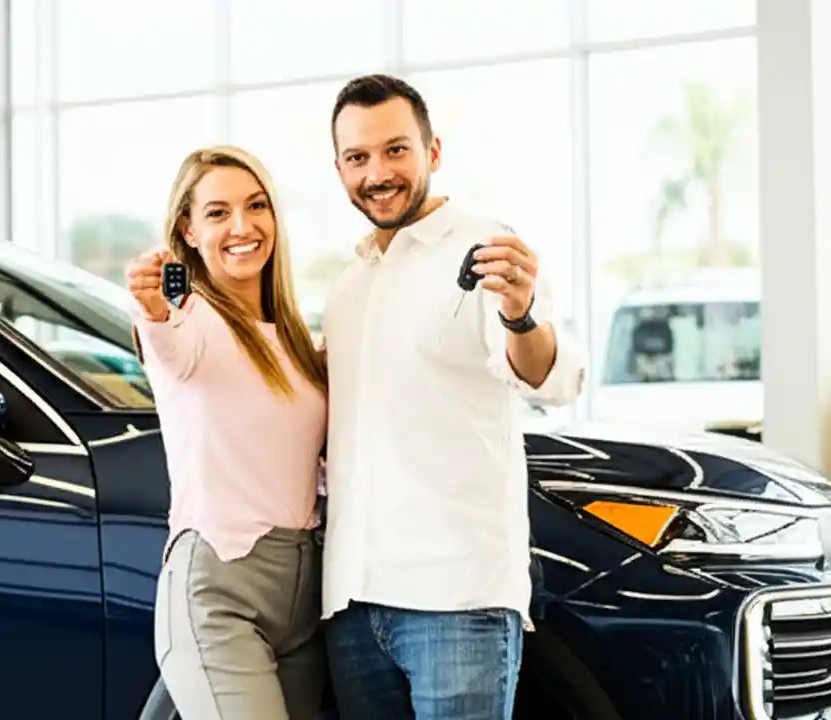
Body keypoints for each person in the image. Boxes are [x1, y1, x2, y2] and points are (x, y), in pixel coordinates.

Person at [318, 74, 588, 720]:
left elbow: (550, 380)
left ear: (432, 151)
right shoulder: (348, 289)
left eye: (395, 150)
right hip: (353, 607)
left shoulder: (486, 247)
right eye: (357, 157)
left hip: (456, 602)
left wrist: (521, 313)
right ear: (339, 169)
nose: (377, 173)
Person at [126, 145, 329, 720]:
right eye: (218, 213)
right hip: (219, 591)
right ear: (187, 231)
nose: (242, 226)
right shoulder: (188, 321)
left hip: (302, 598)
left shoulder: (296, 339)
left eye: (256, 206)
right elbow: (165, 337)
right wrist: (152, 305)